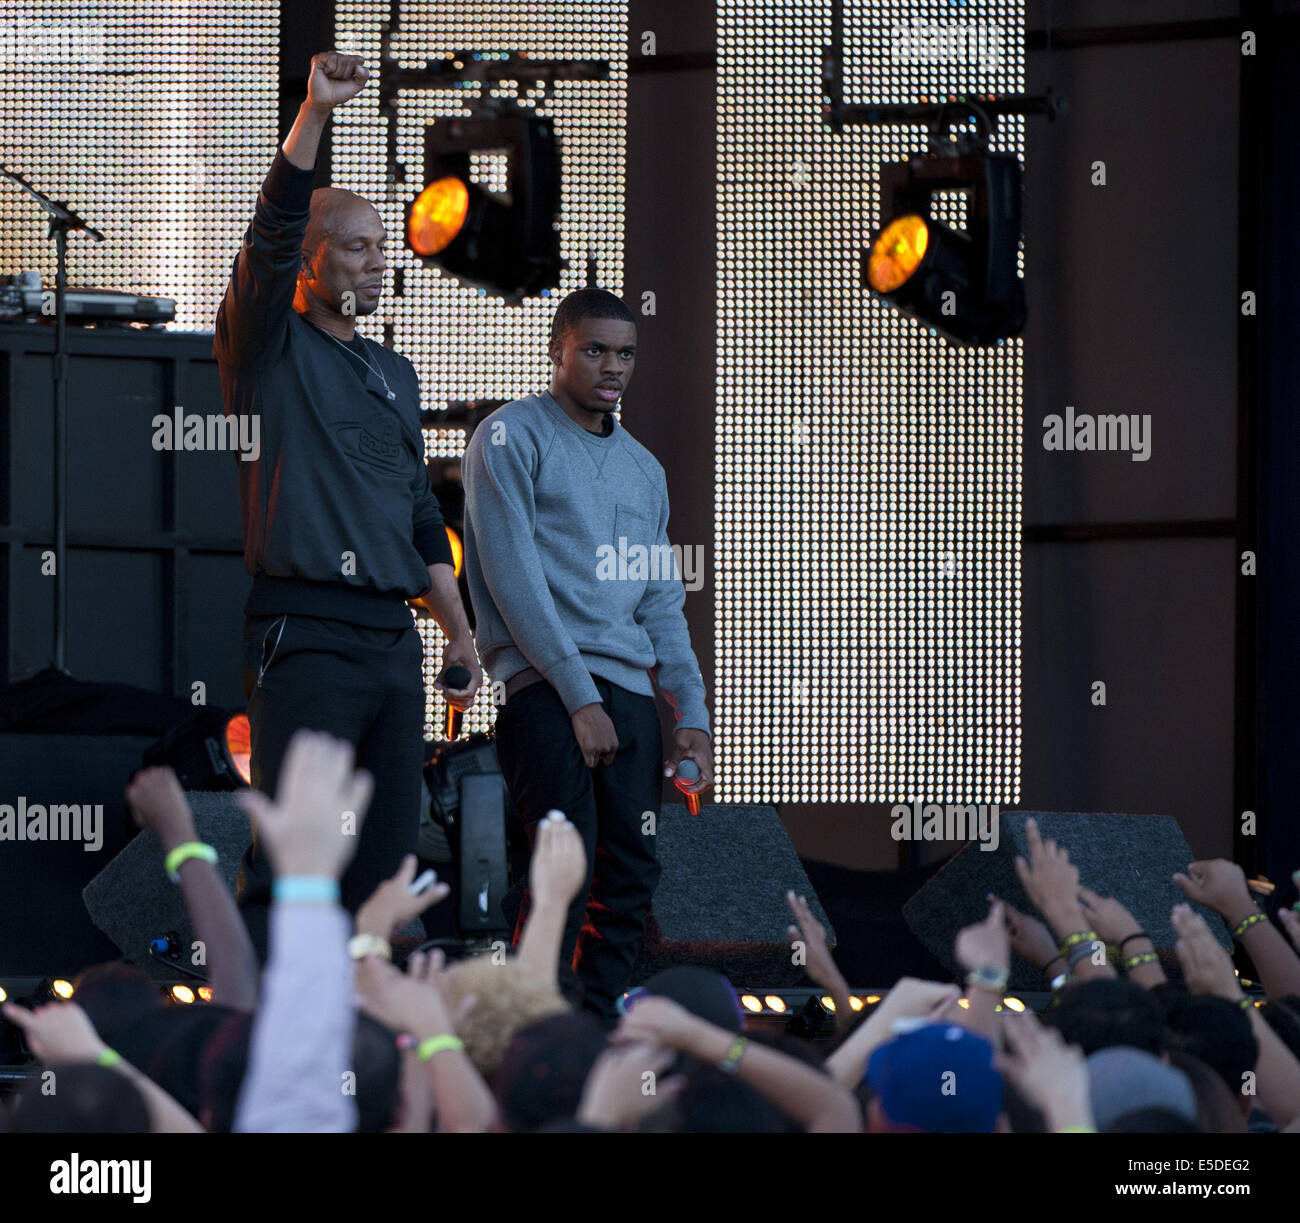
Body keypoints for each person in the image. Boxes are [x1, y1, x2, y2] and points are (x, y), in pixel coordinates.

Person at [213, 51, 481, 958]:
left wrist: (457, 631)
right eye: (358, 247)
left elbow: (416, 514)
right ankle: (262, 1055)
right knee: (298, 863)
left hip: (390, 643)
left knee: (383, 870)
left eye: (382, 246)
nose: (379, 262)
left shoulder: (394, 371)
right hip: (306, 631)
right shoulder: (266, 343)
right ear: (311, 262)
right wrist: (315, 113)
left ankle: (372, 1062)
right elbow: (274, 223)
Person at [462, 287, 713, 1026]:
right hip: (547, 689)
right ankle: (527, 1037)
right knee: (556, 874)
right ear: (557, 349)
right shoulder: (509, 436)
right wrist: (578, 695)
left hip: (629, 695)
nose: (613, 367)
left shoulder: (643, 469)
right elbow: (513, 581)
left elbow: (662, 600)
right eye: (595, 350)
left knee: (631, 878)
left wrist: (690, 711)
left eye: (626, 353)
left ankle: (591, 1034)